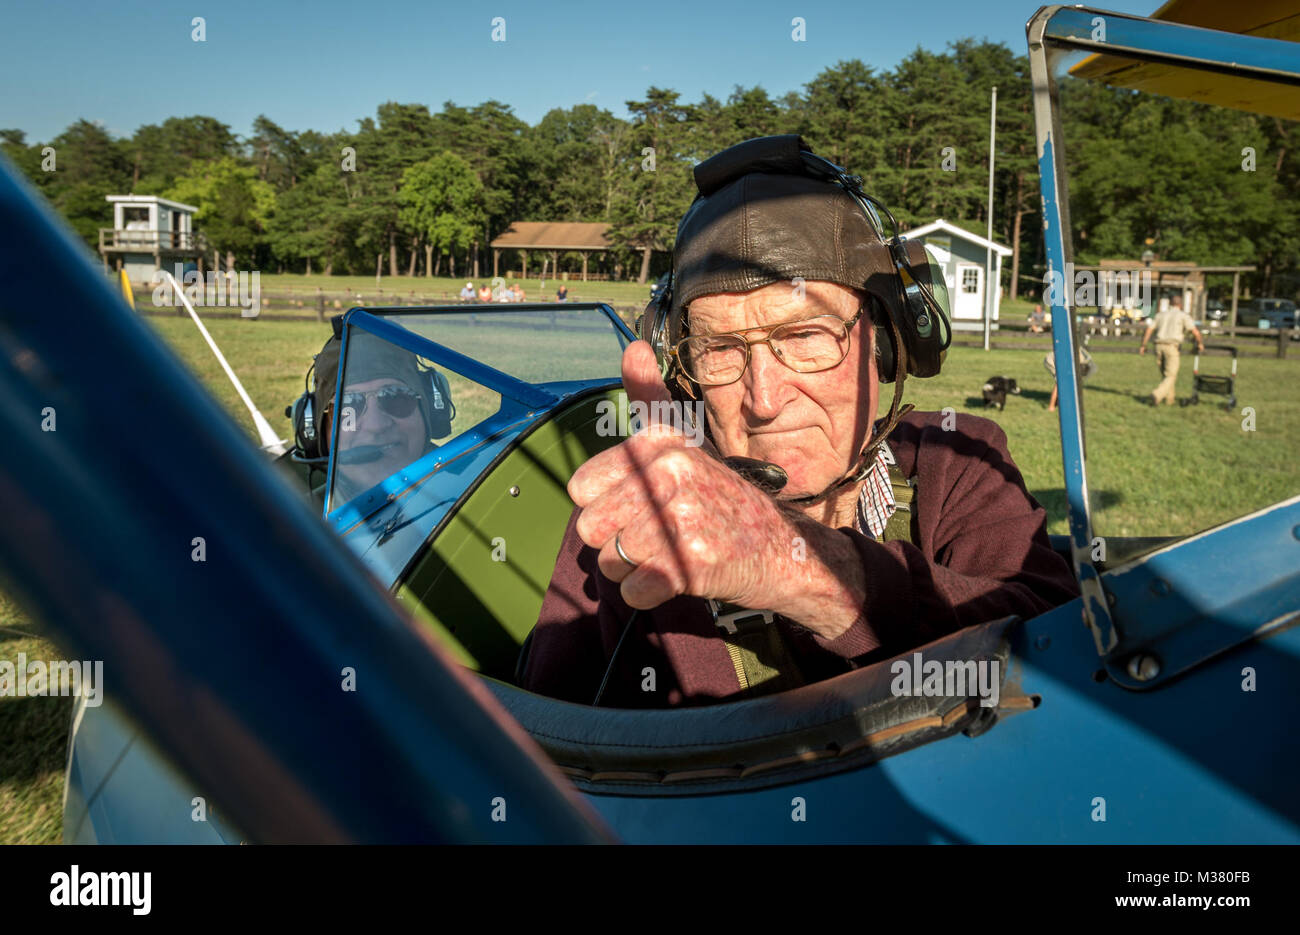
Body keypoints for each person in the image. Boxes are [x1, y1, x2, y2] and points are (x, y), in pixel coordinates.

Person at [521, 136, 1079, 708]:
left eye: (806, 336)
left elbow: (1061, 661)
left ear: (888, 344)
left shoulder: (958, 460)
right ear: (684, 368)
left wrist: (803, 570)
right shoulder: (644, 502)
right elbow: (559, 742)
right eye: (719, 349)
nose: (762, 398)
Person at [311, 334, 439, 500]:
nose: (376, 425)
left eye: (396, 397)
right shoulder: (290, 520)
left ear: (431, 410)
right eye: (348, 404)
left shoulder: (475, 491)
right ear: (317, 429)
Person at [1139, 294, 1204, 405]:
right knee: (1171, 375)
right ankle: (1157, 394)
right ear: (1180, 304)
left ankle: (1170, 400)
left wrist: (1143, 345)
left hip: (1158, 346)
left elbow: (1149, 330)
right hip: (1171, 347)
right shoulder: (1183, 315)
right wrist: (1200, 343)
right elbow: (1195, 331)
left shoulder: (1160, 315)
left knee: (1166, 375)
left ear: (1170, 303)